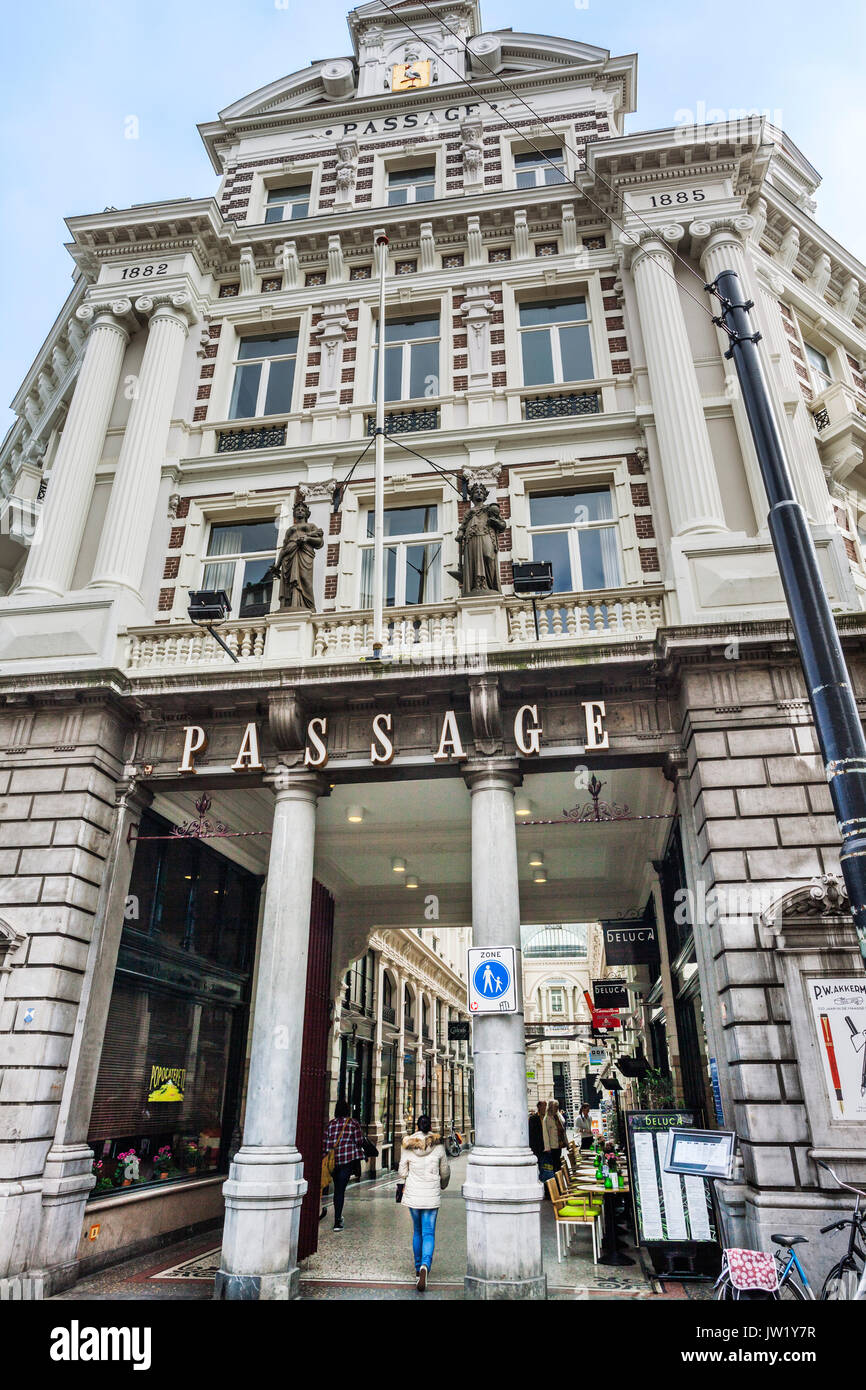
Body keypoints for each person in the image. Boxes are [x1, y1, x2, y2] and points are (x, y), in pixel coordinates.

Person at [397, 1114, 450, 1292]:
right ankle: (425, 1265)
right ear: (430, 1127)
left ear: (417, 1127)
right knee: (429, 1232)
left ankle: (417, 1267)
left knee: (417, 1231)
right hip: (431, 1195)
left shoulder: (408, 1146)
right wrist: (442, 1185)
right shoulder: (439, 1146)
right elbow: (445, 1172)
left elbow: (402, 1172)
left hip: (414, 1194)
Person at [322, 1099, 365, 1232]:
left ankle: (337, 1219)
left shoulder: (330, 1124)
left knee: (337, 1191)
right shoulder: (353, 1123)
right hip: (347, 1161)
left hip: (333, 1161)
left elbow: (325, 1143)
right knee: (340, 1189)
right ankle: (337, 1221)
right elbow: (359, 1141)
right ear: (348, 1110)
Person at [542, 1099, 566, 1173]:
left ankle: (559, 1178)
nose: (557, 1108)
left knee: (558, 1163)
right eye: (555, 1106)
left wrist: (558, 1114)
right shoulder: (547, 1118)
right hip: (552, 1146)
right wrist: (547, 1147)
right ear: (551, 1107)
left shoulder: (557, 1116)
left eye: (557, 1106)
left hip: (559, 1144)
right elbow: (545, 1134)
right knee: (554, 1165)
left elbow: (563, 1122)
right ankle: (556, 1180)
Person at [528, 1100, 546, 1179]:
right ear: (539, 1107)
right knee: (539, 1166)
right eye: (544, 1106)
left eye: (546, 1106)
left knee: (546, 1167)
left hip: (547, 1147)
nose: (545, 1108)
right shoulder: (533, 1118)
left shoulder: (547, 1118)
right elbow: (531, 1134)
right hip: (537, 1147)